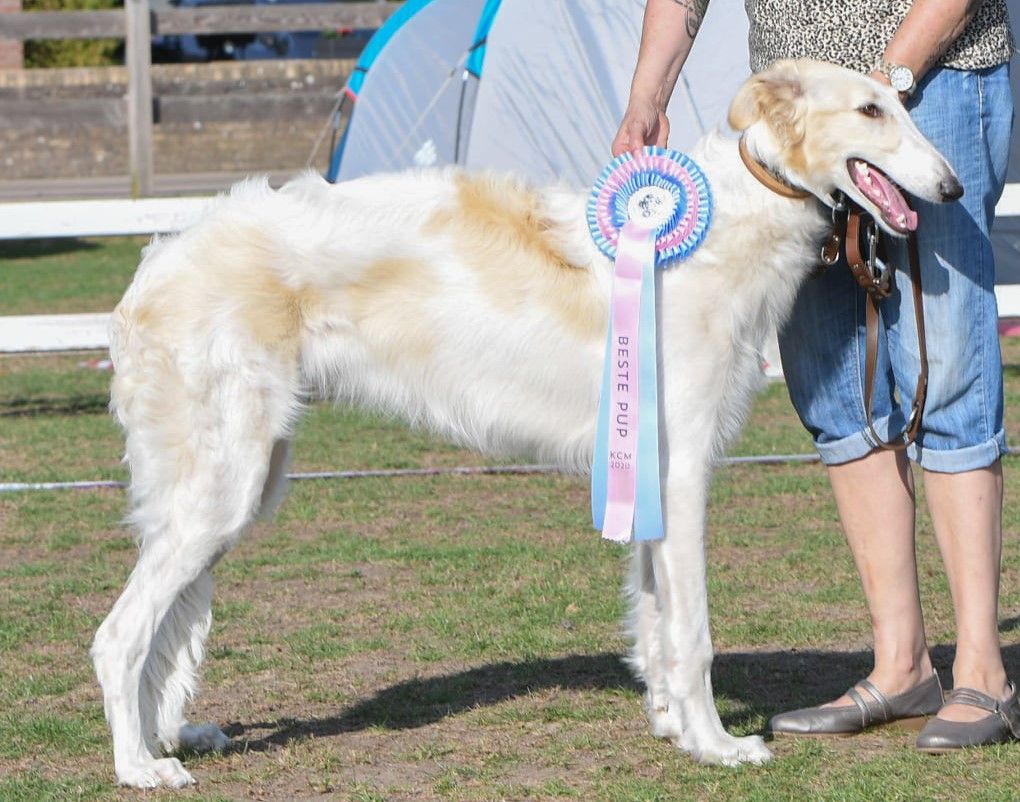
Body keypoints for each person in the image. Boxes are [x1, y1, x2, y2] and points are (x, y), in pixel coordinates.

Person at [614, 0, 1018, 750]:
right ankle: (901, 667)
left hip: (936, 77)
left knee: (947, 369)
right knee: (839, 387)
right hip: (798, 114)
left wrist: (883, 89)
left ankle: (982, 671)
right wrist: (646, 98)